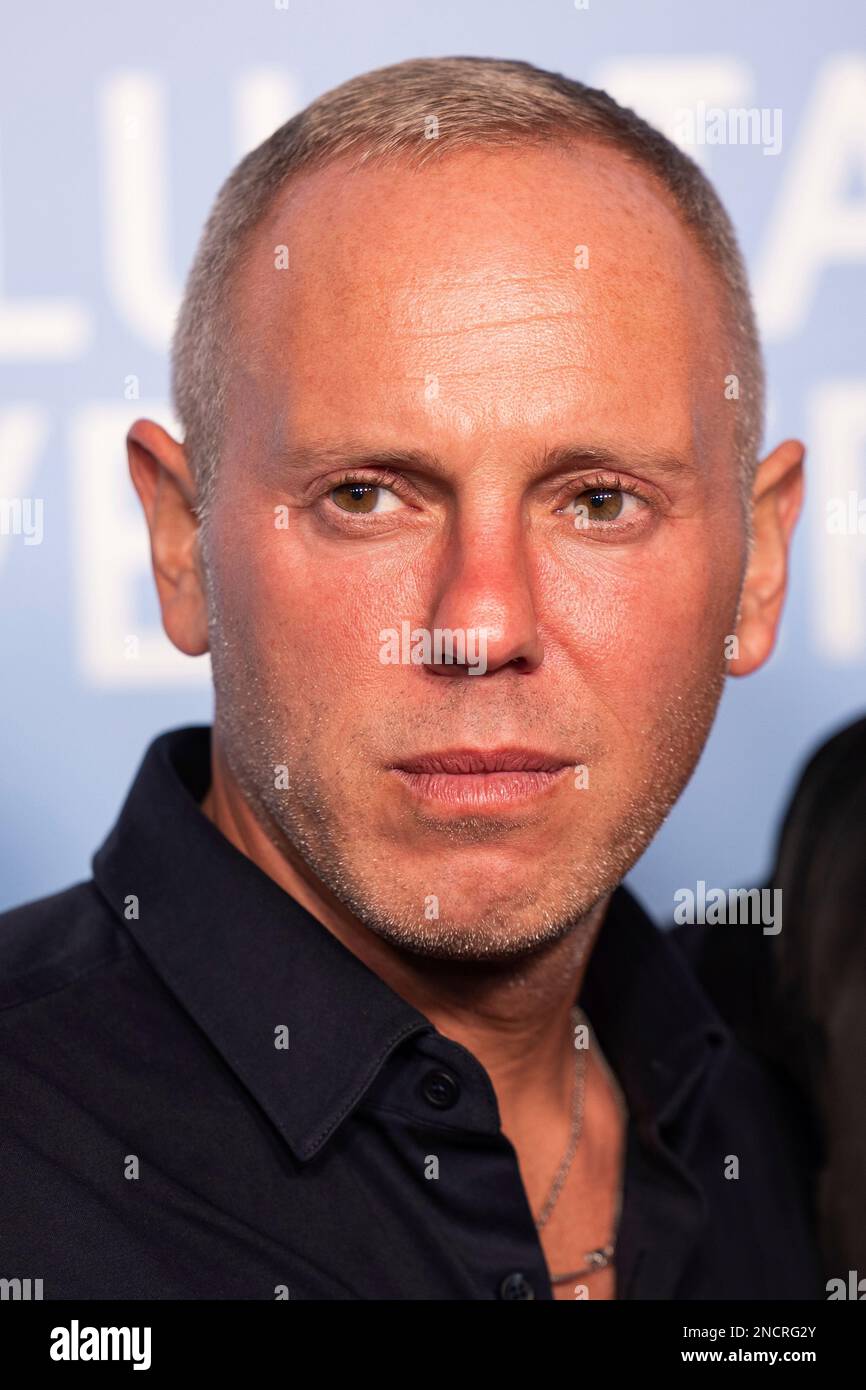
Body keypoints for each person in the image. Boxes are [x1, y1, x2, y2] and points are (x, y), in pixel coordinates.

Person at [0, 55, 818, 1300]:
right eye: (366, 495)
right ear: (180, 542)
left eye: (597, 500)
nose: (478, 622)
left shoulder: (799, 1109)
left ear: (755, 568)